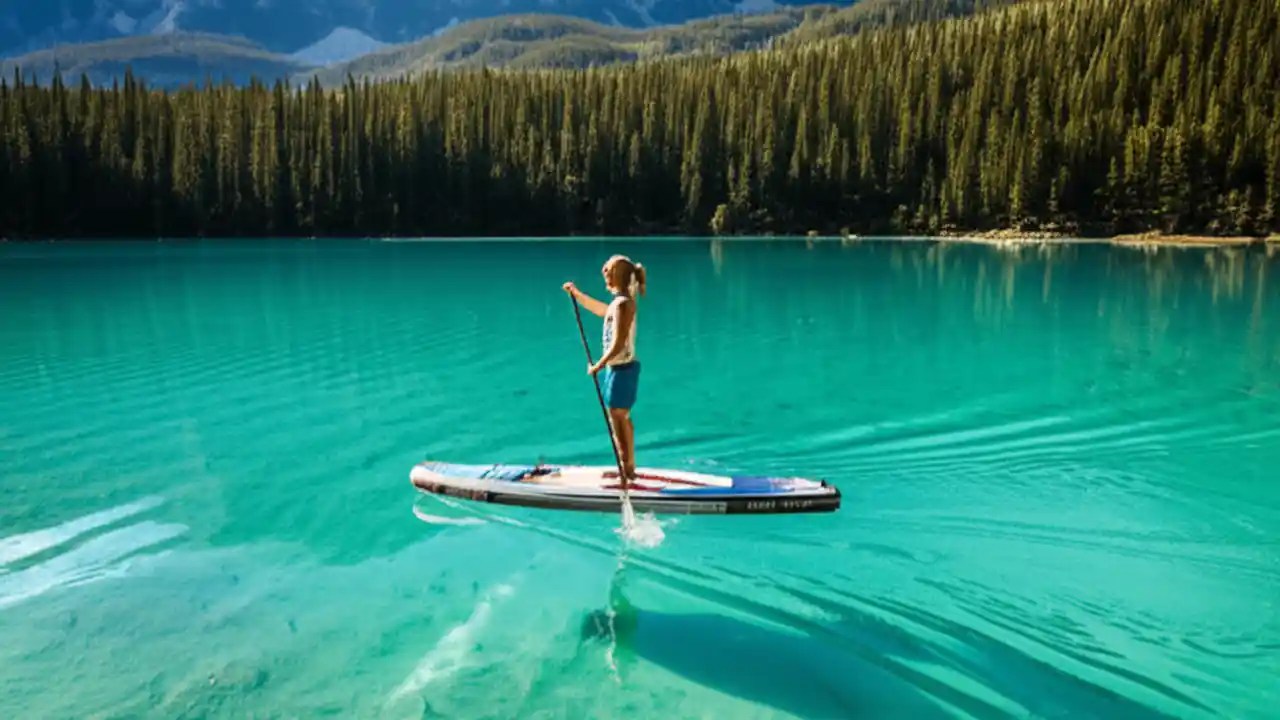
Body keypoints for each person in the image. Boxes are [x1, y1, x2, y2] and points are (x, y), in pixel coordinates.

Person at [563, 255, 646, 482]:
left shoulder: (625, 304)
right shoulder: (617, 304)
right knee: (617, 417)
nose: (604, 274)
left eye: (607, 271)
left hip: (623, 369)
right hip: (616, 369)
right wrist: (577, 295)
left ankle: (627, 469)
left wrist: (598, 365)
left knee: (619, 417)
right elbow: (600, 310)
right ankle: (625, 466)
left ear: (616, 276)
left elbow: (619, 342)